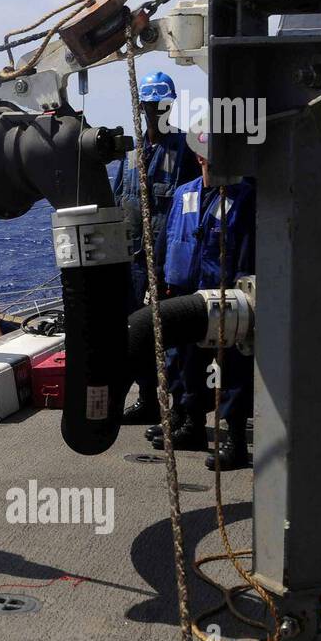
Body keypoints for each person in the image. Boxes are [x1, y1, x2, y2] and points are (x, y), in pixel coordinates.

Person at [152, 143, 256, 470]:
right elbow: (169, 237)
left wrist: (241, 288)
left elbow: (248, 245)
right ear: (200, 158)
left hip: (226, 296)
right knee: (187, 363)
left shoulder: (245, 196)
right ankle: (192, 426)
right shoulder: (185, 194)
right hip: (187, 293)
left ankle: (236, 439)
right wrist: (158, 276)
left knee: (233, 369)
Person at [112, 71, 201, 425]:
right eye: (149, 106)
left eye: (161, 106)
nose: (154, 113)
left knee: (172, 338)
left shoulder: (185, 152)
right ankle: (149, 399)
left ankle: (179, 408)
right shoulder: (131, 155)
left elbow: (187, 213)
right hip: (131, 262)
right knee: (138, 333)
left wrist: (173, 266)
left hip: (166, 265)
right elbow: (119, 202)